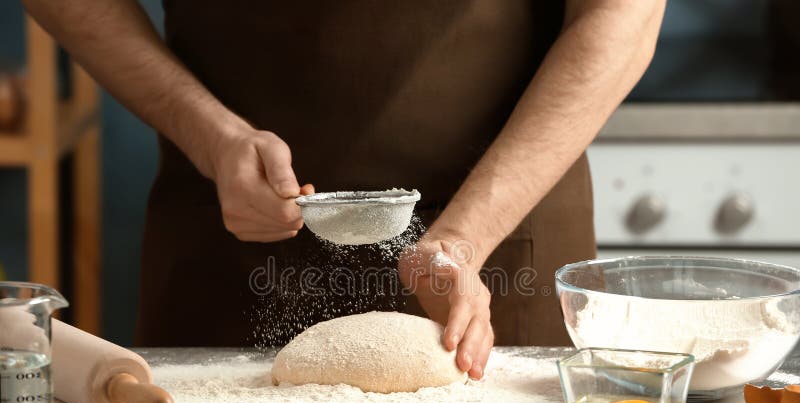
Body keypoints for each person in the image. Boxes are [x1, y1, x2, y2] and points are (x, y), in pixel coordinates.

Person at [24, 1, 665, 379]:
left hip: (499, 232)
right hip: (231, 222)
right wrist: (210, 135)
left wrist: (466, 239)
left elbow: (621, 15)